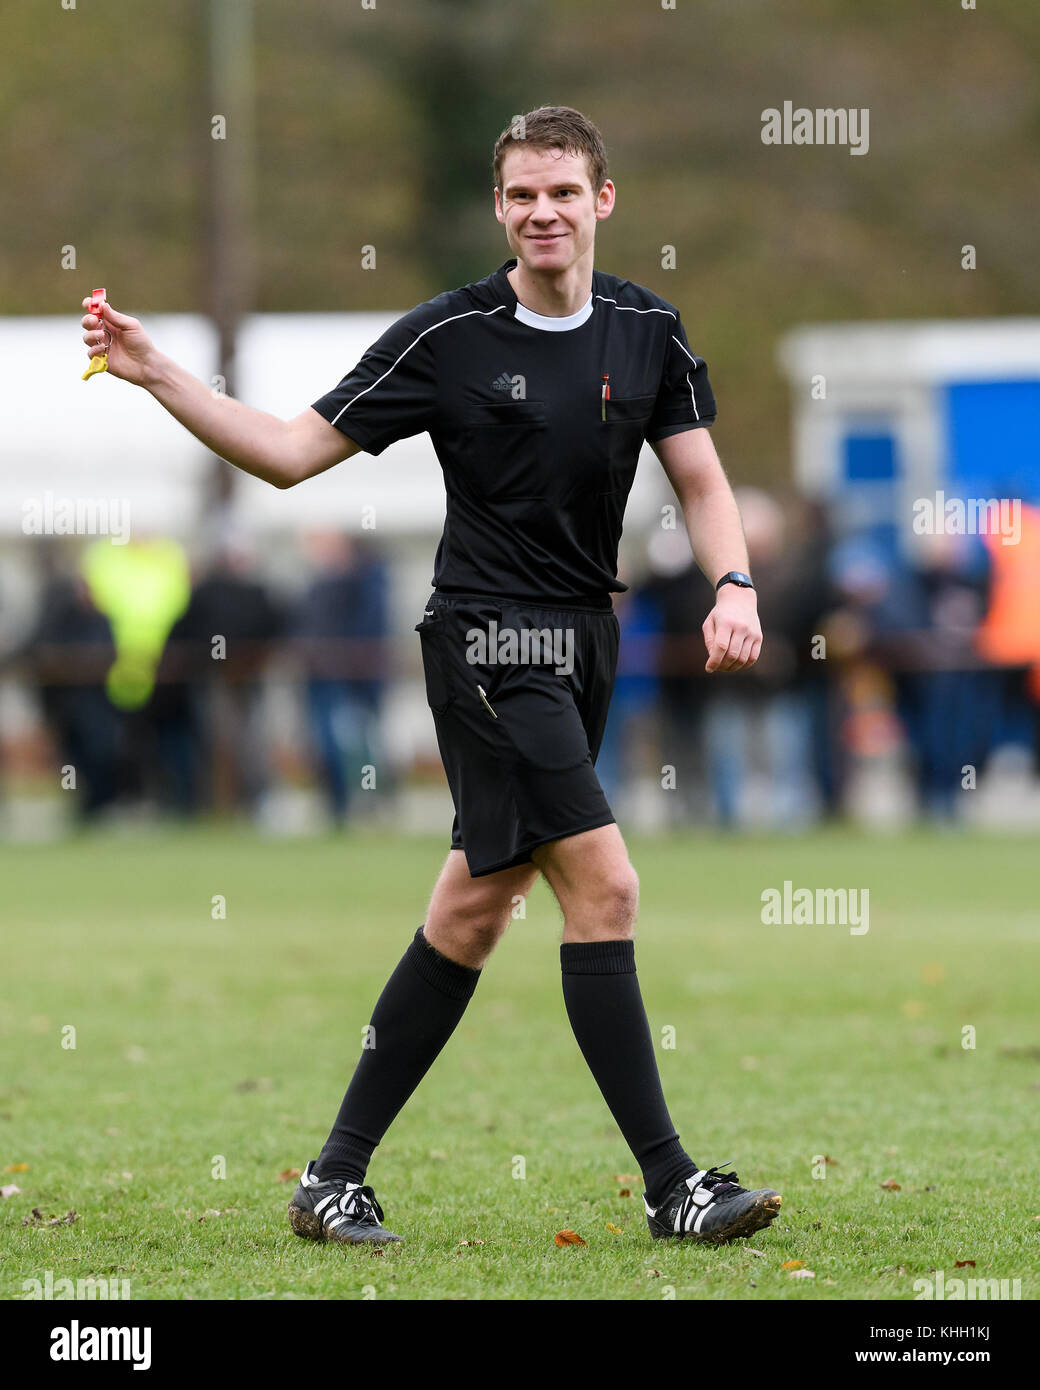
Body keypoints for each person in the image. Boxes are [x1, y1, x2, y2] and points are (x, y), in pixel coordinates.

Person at [80, 105, 781, 1247]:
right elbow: (289, 453)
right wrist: (156, 370)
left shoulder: (648, 330)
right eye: (519, 195)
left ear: (601, 201)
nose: (541, 212)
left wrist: (734, 585)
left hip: (581, 641)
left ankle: (332, 1176)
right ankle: (673, 1184)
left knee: (472, 908)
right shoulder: (446, 336)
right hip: (487, 643)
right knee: (602, 888)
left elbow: (702, 484)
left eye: (561, 192)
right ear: (497, 208)